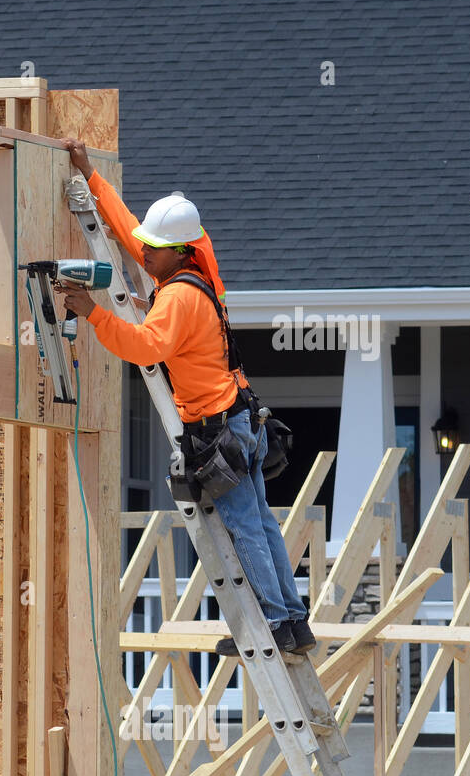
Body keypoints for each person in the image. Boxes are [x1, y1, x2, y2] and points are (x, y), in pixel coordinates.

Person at [58, 138, 313, 656]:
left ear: (174, 251)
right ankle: (294, 622)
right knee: (263, 522)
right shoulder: (198, 268)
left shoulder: (175, 297)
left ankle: (272, 628)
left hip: (220, 428)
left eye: (152, 249)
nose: (142, 252)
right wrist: (92, 179)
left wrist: (91, 311)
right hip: (243, 419)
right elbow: (133, 234)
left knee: (245, 528)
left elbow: (144, 346)